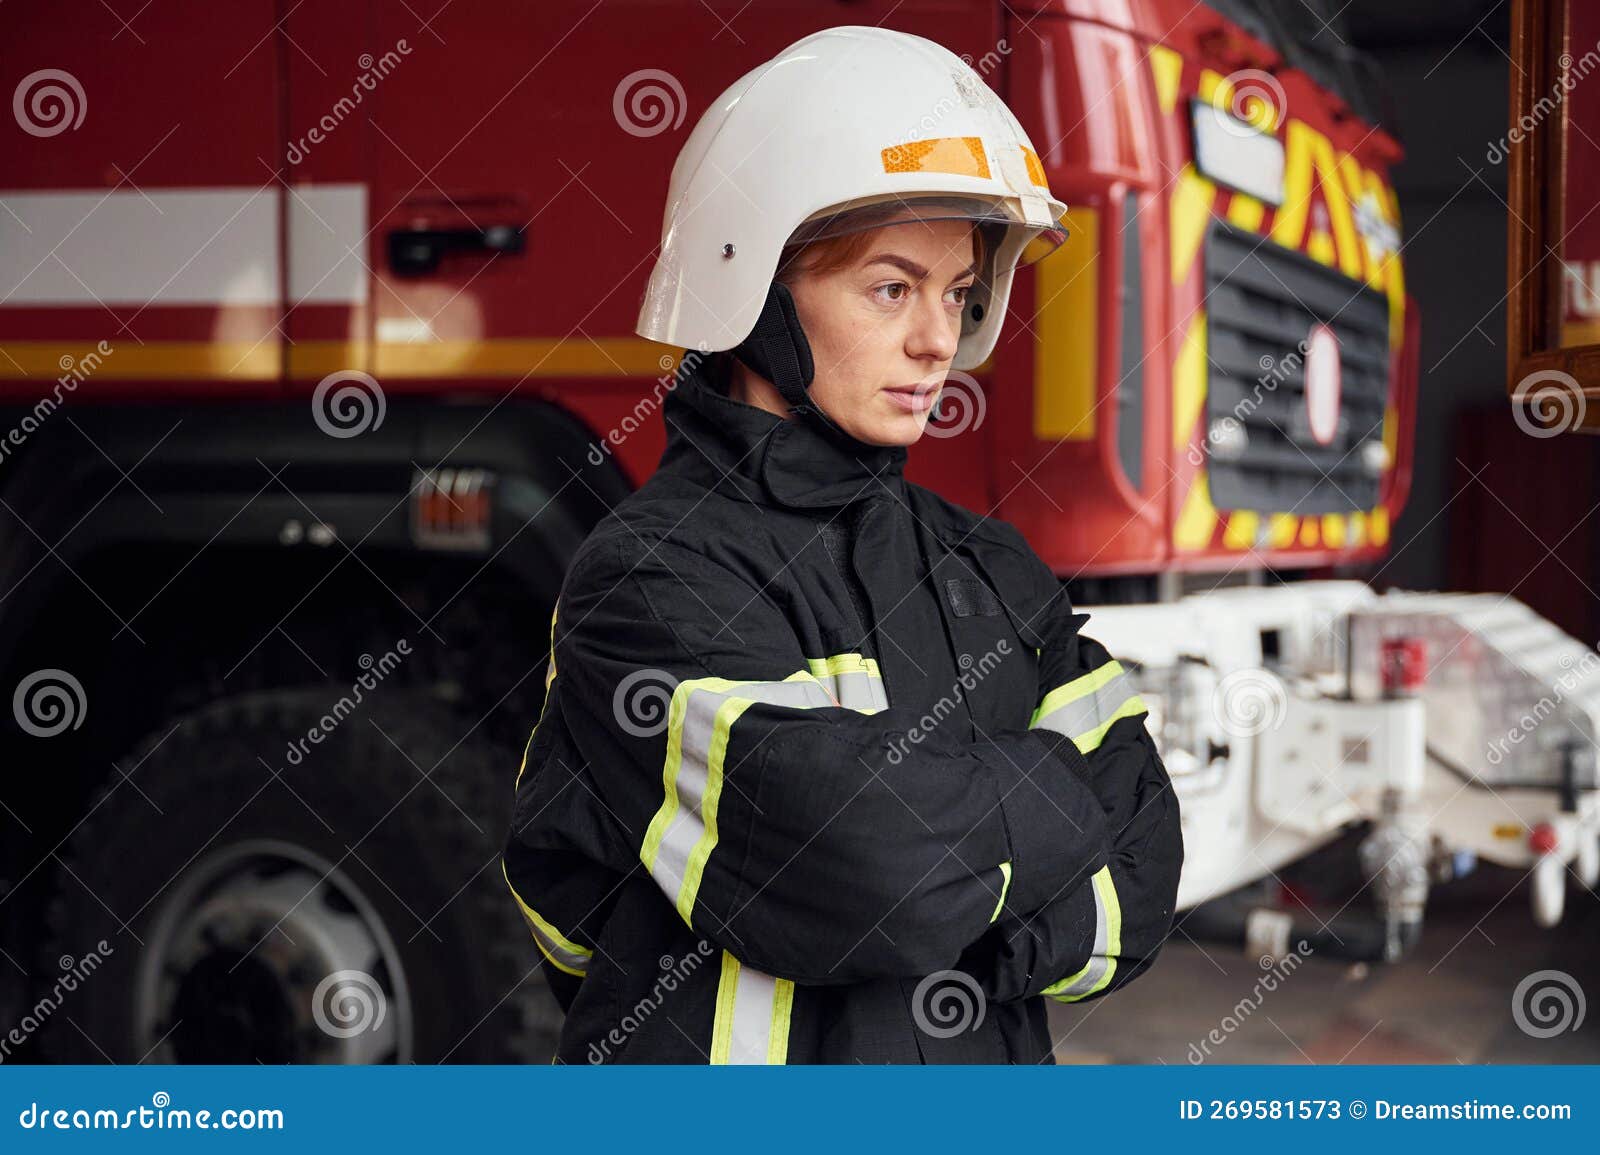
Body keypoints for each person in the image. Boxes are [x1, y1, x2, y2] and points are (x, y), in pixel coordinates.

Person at [501, 24, 1183, 1064]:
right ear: (755, 288)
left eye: (957, 293)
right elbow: (859, 873)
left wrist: (964, 884)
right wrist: (1040, 798)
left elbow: (1146, 861)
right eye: (890, 287)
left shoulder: (990, 571)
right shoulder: (649, 577)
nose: (938, 339)